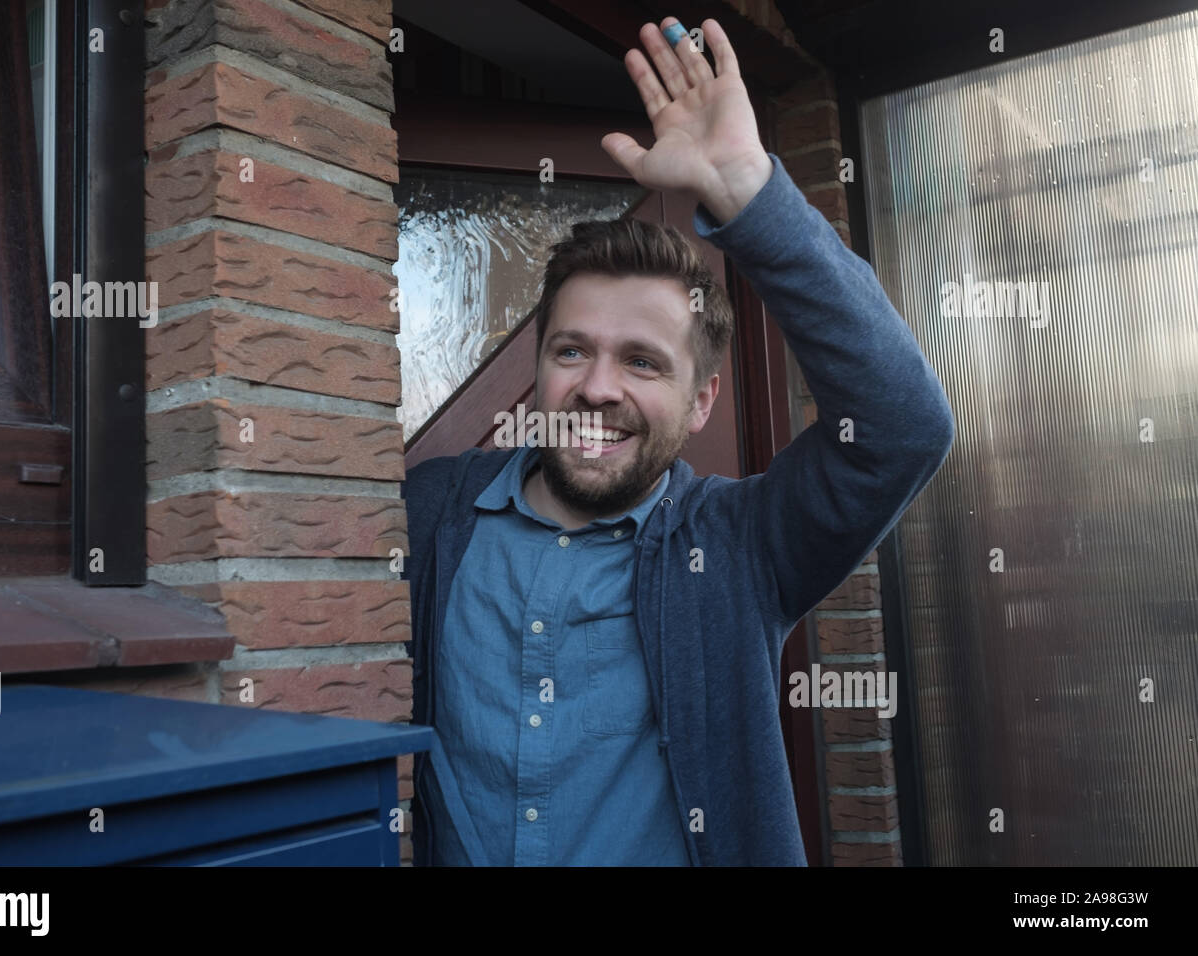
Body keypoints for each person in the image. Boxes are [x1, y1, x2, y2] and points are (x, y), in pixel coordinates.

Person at [402, 16, 955, 866]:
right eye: (572, 350)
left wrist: (747, 190)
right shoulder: (432, 509)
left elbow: (901, 426)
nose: (597, 387)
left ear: (702, 404)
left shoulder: (739, 546)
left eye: (643, 362)